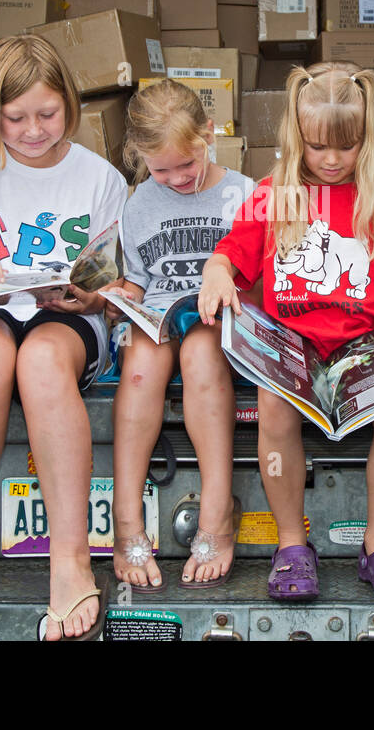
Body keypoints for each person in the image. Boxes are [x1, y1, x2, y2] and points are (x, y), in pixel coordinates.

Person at [198, 62, 374, 603]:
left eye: (348, 146)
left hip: (365, 350)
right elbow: (227, 258)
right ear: (297, 139)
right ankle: (292, 545)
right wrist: (216, 276)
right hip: (293, 349)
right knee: (273, 408)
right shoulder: (275, 197)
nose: (333, 160)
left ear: (369, 141)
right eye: (318, 147)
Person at [0, 35, 127, 640]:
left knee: (40, 363)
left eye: (47, 114)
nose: (33, 130)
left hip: (66, 318)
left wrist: (91, 295)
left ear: (69, 105)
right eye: (15, 118)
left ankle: (69, 557)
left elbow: (109, 281)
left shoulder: (101, 178)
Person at [109, 79, 253, 592]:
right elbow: (139, 279)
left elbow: (258, 274)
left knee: (200, 356)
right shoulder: (139, 203)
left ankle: (216, 512)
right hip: (159, 312)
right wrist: (120, 296)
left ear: (208, 135)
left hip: (219, 318)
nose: (174, 179)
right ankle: (126, 519)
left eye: (186, 165)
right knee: (141, 364)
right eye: (160, 168)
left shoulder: (245, 194)